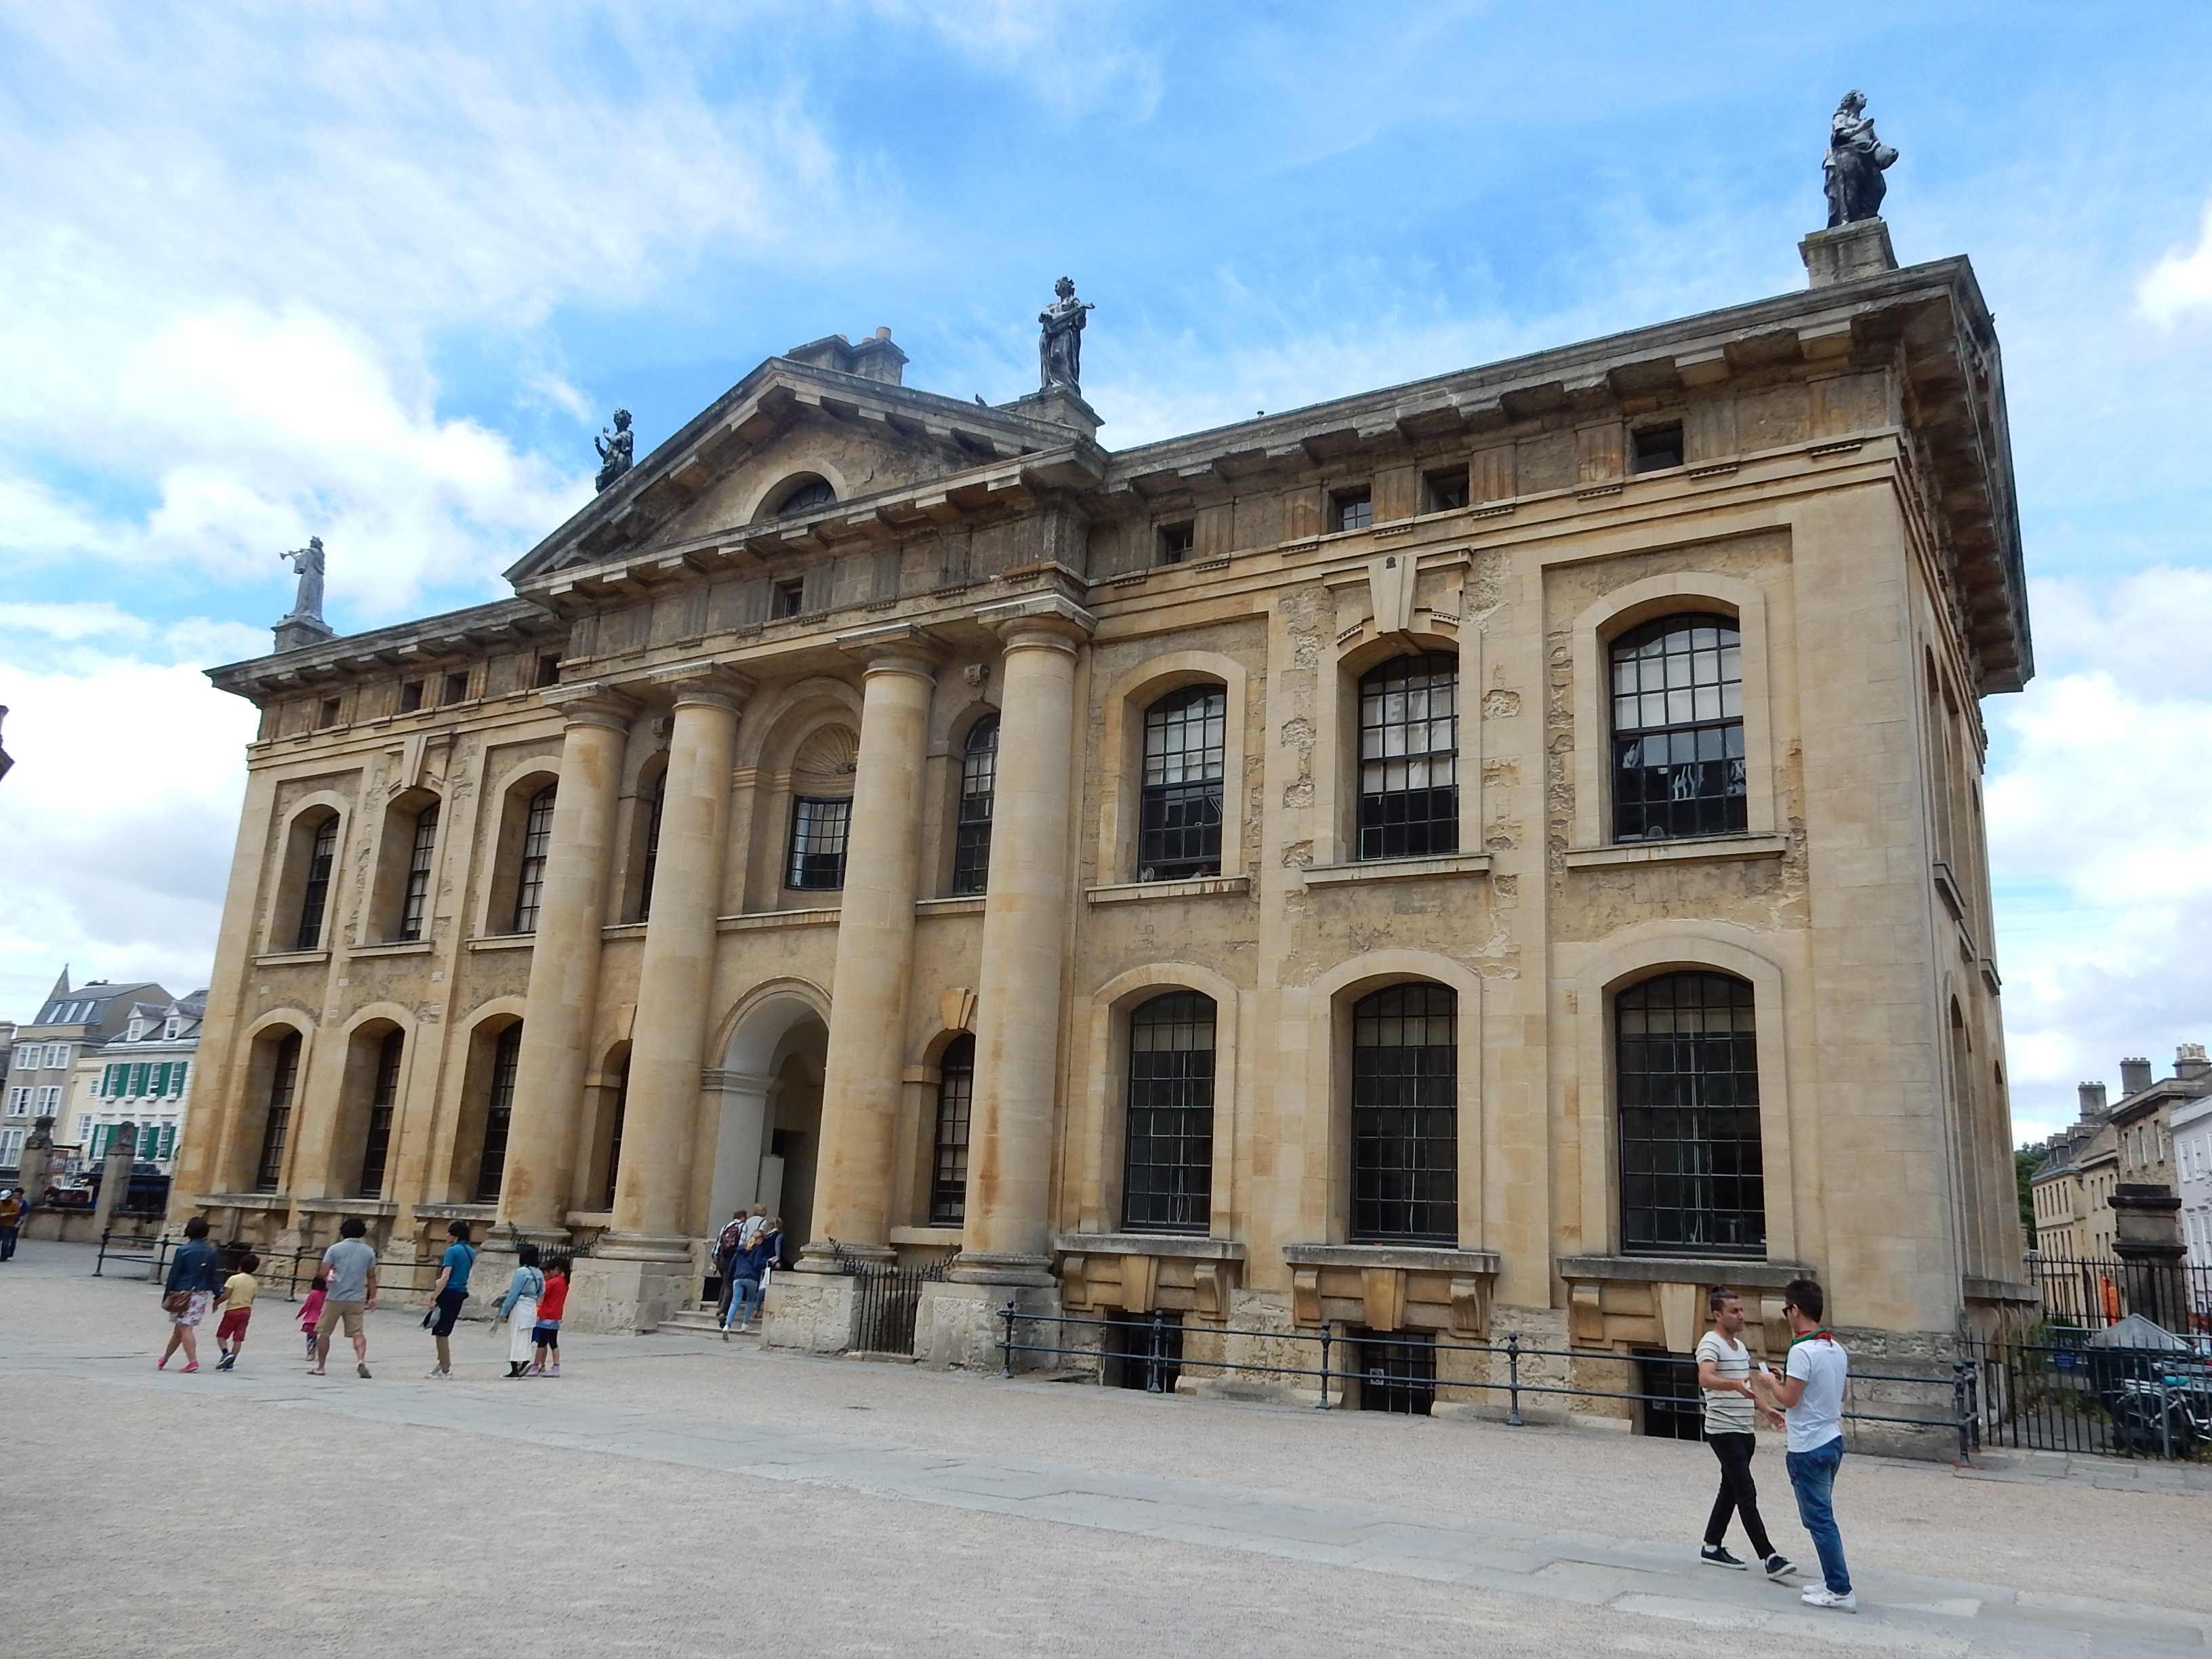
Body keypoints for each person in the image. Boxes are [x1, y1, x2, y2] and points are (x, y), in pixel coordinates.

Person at [1753, 1278, 1856, 1614]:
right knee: (1822, 1515)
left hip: (1807, 1445)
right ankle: (1831, 1581)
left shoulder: (1801, 1350)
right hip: (1832, 1437)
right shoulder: (1834, 1348)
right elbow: (1839, 1394)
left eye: (1786, 1309)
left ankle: (1840, 1589)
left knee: (1819, 1519)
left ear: (1795, 1309)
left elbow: (1790, 1400)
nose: (1786, 1315)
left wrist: (1771, 1383)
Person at [1694, 1286, 1793, 1579]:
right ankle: (1769, 1556)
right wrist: (1733, 1385)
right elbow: (1705, 1377)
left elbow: (1746, 1384)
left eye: (1742, 1310)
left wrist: (1766, 1409)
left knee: (1730, 1489)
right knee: (1745, 1490)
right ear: (1717, 1314)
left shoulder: (1738, 1347)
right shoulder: (1710, 1343)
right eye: (1734, 1311)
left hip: (1743, 1429)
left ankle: (1712, 1547)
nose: (1741, 1316)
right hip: (1723, 1429)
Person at [313, 1216, 379, 1379]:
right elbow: (371, 1276)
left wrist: (331, 1272)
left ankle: (321, 1367)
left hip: (335, 1296)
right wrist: (372, 1297)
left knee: (324, 1332)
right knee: (357, 1332)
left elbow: (322, 1273)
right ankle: (361, 1360)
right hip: (356, 1297)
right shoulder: (369, 1251)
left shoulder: (334, 1249)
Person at [157, 1214, 222, 1372]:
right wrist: (217, 1295)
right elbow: (213, 1275)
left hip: (182, 1293)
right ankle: (165, 1358)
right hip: (200, 1294)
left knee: (185, 1328)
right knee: (179, 1329)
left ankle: (193, 1361)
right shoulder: (211, 1252)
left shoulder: (183, 1250)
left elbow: (174, 1274)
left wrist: (167, 1295)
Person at [426, 1219, 475, 1379]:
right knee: (444, 1327)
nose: (446, 1235)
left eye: (449, 1233)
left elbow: (445, 1276)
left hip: (449, 1292)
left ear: (455, 1235)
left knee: (441, 1331)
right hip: (460, 1292)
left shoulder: (452, 1251)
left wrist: (434, 1296)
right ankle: (441, 1364)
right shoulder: (470, 1251)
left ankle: (446, 1368)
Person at [492, 1242, 544, 1379]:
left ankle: (515, 1368)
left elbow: (513, 1294)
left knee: (515, 1337)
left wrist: (504, 1312)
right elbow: (541, 1291)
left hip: (520, 1305)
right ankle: (525, 1360)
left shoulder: (522, 1272)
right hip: (531, 1305)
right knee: (526, 1337)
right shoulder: (538, 1272)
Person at [214, 1252, 262, 1371]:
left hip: (233, 1310)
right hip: (246, 1311)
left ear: (240, 1265)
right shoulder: (254, 1282)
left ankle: (226, 1354)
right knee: (238, 1338)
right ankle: (231, 1362)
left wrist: (217, 1303)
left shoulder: (233, 1279)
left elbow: (226, 1295)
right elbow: (252, 1298)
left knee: (221, 1335)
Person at [721, 1230, 768, 1338]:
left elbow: (733, 1263)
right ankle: (745, 1324)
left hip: (738, 1277)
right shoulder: (758, 1249)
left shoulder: (741, 1249)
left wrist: (731, 1277)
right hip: (752, 1278)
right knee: (751, 1301)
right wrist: (765, 1262)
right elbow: (757, 1264)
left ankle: (727, 1326)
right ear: (760, 1239)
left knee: (735, 1302)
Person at [530, 1254, 569, 1377]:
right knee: (553, 1342)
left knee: (542, 1342)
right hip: (556, 1315)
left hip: (547, 1314)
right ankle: (555, 1366)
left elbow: (541, 1293)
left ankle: (536, 1366)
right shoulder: (564, 1282)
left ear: (557, 1269)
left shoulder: (553, 1282)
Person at [298, 1274, 327, 1360]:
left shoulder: (314, 1293)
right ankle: (321, 1352)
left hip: (312, 1318)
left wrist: (300, 1314)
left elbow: (307, 1305)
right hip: (324, 1317)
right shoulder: (327, 1294)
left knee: (311, 1337)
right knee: (323, 1337)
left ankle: (311, 1353)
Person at [0, 1186, 21, 1260]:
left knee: (6, 1241)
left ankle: (3, 1256)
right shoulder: (1, 1203)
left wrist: (7, 1214)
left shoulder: (15, 1203)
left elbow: (17, 1212)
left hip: (8, 1224)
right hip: (1, 1222)